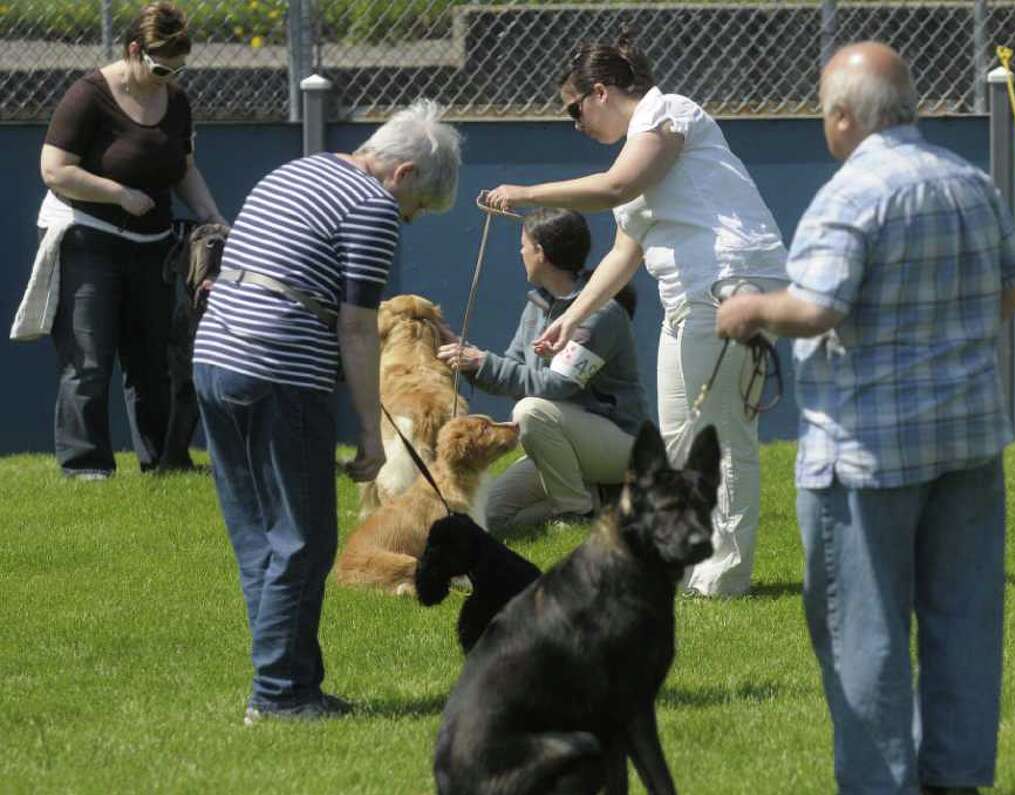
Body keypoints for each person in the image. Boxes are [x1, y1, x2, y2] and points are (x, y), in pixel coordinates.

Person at [716, 42, 1015, 795]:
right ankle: (954, 779)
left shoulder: (849, 193)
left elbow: (818, 306)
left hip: (865, 451)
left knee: (865, 633)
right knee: (963, 619)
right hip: (965, 440)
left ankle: (879, 784)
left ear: (840, 118)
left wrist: (753, 307)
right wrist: (949, 342)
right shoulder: (970, 180)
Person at [481, 34, 788, 597]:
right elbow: (624, 254)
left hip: (727, 288)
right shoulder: (634, 155)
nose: (575, 123)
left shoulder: (668, 113)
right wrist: (572, 318)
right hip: (687, 299)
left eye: (574, 109)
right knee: (676, 439)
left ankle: (723, 578)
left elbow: (617, 185)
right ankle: (689, 564)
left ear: (600, 92)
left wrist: (528, 193)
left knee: (720, 434)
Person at [192, 100, 461, 724]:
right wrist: (370, 433)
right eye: (417, 207)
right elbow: (359, 327)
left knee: (259, 531)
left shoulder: (294, 171)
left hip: (215, 358)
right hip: (279, 372)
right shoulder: (371, 207)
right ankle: (282, 696)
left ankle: (290, 684)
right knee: (305, 539)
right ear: (402, 176)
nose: (410, 218)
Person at [38, 1, 225, 480]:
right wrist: (118, 194)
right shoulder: (88, 95)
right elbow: (54, 170)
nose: (169, 76)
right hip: (89, 239)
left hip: (154, 246)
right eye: (162, 66)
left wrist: (213, 217)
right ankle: (86, 468)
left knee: (152, 362)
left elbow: (183, 168)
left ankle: (164, 462)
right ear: (134, 50)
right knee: (89, 359)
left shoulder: (175, 100)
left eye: (179, 67)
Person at [437, 208, 648, 531]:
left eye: (524, 245)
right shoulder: (538, 304)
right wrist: (468, 361)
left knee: (530, 411)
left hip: (621, 445)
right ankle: (600, 505)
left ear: (541, 253)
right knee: (489, 519)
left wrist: (483, 362)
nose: (519, 252)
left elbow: (555, 387)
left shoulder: (599, 313)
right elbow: (513, 371)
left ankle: (575, 510)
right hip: (564, 442)